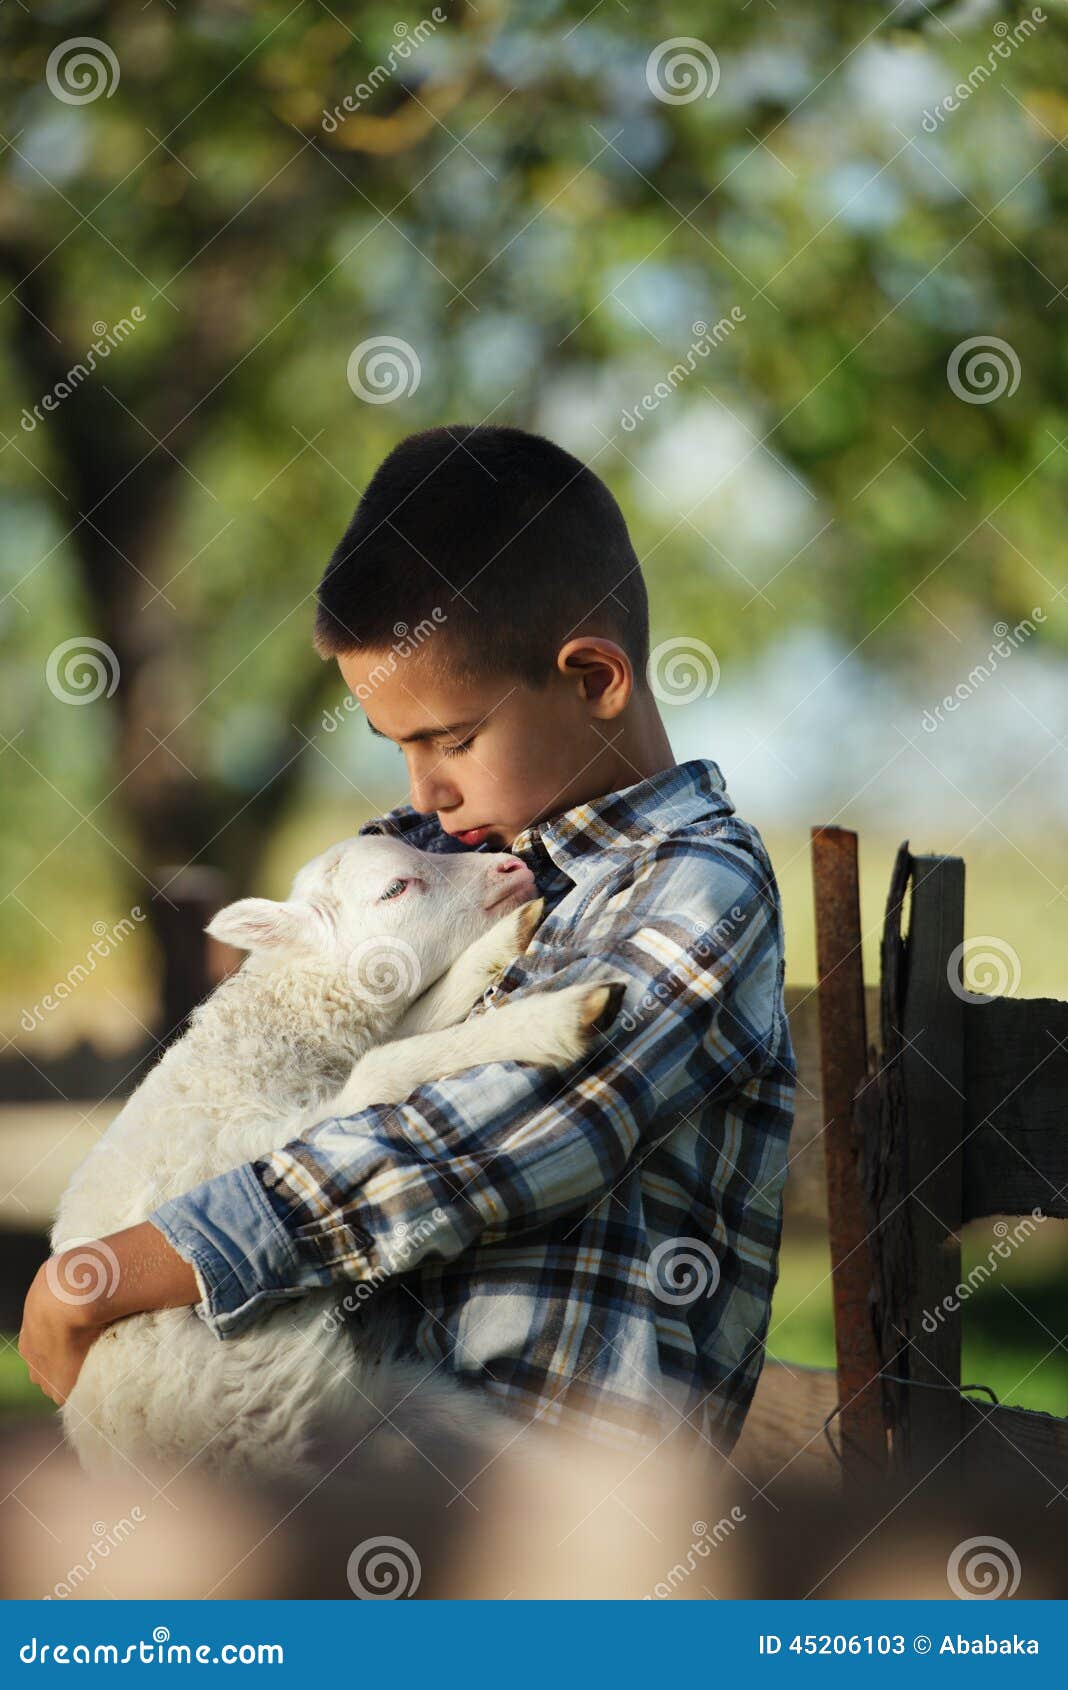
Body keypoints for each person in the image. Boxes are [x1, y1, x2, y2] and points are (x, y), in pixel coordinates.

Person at [19, 423, 795, 1465]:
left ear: (596, 678)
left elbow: (504, 1128)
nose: (424, 787)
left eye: (454, 738)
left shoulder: (698, 885)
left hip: (560, 1529)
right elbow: (283, 1054)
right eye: (399, 747)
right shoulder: (442, 852)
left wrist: (151, 1261)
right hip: (355, 1476)